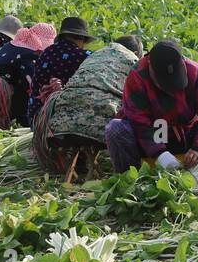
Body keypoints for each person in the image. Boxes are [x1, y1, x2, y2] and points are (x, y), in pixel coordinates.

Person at [105, 39, 198, 172]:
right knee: (115, 128)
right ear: (152, 70)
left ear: (182, 63)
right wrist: (160, 154)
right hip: (152, 137)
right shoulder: (138, 76)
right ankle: (131, 184)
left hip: (186, 134)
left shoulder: (195, 72)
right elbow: (140, 123)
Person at [34, 34, 145, 175]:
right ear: (136, 53)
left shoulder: (95, 55)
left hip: (57, 128)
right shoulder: (133, 61)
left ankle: (76, 171)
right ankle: (126, 173)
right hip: (98, 130)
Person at [0, 23, 55, 127]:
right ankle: (23, 124)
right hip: (2, 95)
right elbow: (32, 85)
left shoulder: (10, 45)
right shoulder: (28, 55)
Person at [26, 16, 96, 124]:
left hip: (36, 117)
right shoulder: (85, 56)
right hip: (64, 121)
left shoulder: (46, 52)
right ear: (82, 39)